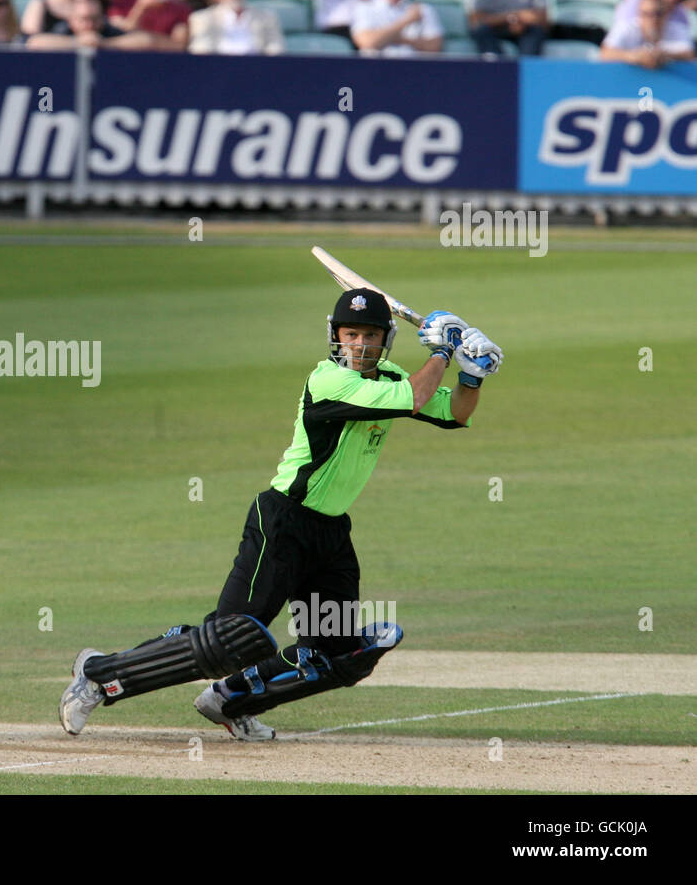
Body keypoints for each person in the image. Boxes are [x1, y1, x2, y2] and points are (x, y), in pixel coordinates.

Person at [60, 292, 502, 740]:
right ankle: (98, 673)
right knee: (230, 638)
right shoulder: (329, 380)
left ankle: (231, 701)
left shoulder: (389, 379)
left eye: (370, 335)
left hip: (330, 535)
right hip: (282, 524)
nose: (359, 344)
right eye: (351, 334)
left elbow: (454, 413)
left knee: (336, 654)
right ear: (335, 336)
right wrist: (443, 351)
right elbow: (414, 398)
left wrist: (472, 375)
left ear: (385, 339)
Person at [28, 0, 164, 51]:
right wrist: (78, 42)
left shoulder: (108, 29)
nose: (89, 25)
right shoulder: (63, 29)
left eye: (93, 19)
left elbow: (147, 40)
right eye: (83, 20)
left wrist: (104, 43)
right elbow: (34, 42)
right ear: (72, 19)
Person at [599, 0, 694, 66]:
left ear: (666, 14)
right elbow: (606, 53)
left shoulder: (677, 29)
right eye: (647, 14)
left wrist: (664, 55)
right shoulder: (626, 28)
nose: (653, 20)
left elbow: (689, 53)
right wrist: (634, 56)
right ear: (639, 14)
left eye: (658, 14)